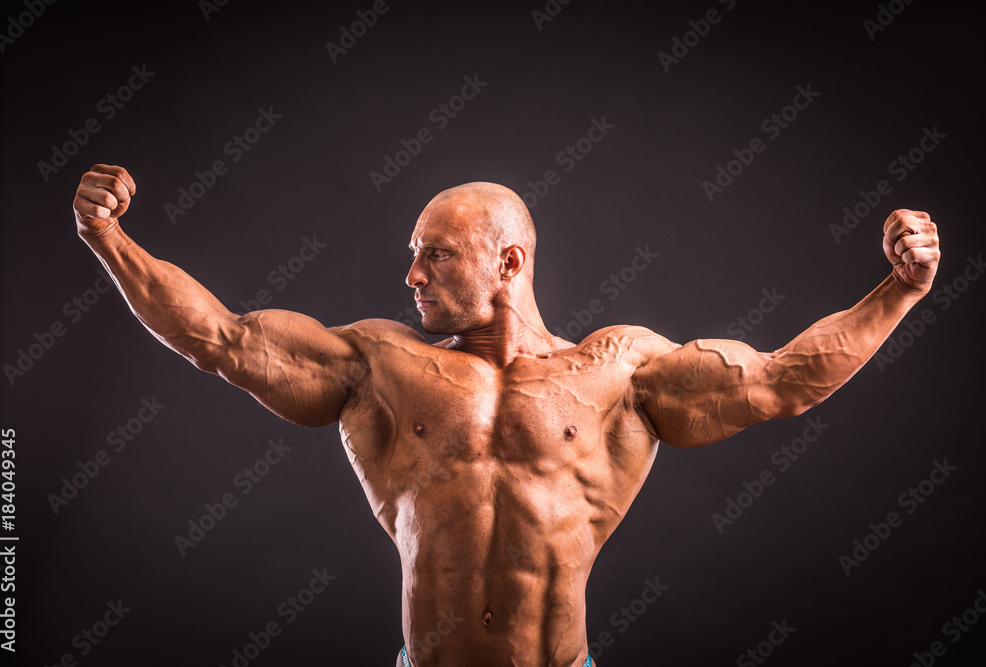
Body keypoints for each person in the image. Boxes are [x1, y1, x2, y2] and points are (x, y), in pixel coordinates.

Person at [73, 163, 940, 667]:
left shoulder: (618, 370)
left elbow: (782, 382)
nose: (412, 276)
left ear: (508, 261)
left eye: (435, 256)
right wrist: (110, 239)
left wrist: (899, 291)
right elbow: (223, 339)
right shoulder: (379, 364)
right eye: (413, 258)